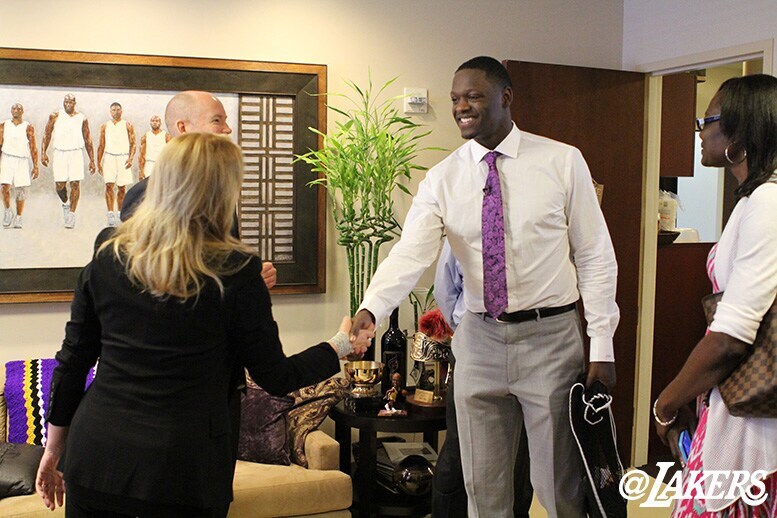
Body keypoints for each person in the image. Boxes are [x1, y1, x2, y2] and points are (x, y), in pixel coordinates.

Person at [34, 133, 373, 517]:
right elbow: (276, 377)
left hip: (96, 460)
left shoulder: (108, 258)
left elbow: (73, 362)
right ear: (221, 193)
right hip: (185, 471)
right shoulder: (237, 272)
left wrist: (53, 449)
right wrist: (340, 344)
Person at [350, 56, 619, 517]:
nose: (461, 107)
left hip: (550, 339)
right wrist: (370, 308)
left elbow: (595, 256)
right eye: (455, 99)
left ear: (505, 98)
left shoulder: (561, 161)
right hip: (479, 340)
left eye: (472, 96)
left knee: (559, 489)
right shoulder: (442, 179)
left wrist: (602, 345)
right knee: (483, 489)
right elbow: (410, 253)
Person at [654, 74, 777, 517]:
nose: (700, 131)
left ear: (740, 133)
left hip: (758, 420)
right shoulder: (754, 200)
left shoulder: (768, 204)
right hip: (741, 401)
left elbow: (731, 335)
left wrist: (667, 402)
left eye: (708, 120)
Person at [121, 91, 277, 288]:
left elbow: (225, 262)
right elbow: (140, 280)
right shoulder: (142, 195)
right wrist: (242, 283)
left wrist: (249, 279)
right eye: (216, 120)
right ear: (183, 127)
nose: (227, 129)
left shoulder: (220, 195)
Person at [432, 238, 533, 518]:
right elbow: (445, 287)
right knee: (460, 446)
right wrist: (464, 328)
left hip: (529, 347)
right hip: (474, 345)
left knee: (520, 453)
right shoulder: (465, 220)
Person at [41, 93, 96, 229]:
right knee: (60, 185)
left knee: (75, 184)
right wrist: (43, 153)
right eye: (66, 102)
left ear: (74, 103)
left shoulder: (82, 118)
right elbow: (47, 134)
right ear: (63, 103)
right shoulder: (55, 116)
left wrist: (92, 160)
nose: (68, 104)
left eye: (70, 102)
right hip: (60, 153)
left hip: (76, 153)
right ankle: (66, 203)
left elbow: (88, 139)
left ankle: (71, 214)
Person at [97, 102, 136, 227]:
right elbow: (101, 145)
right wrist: (98, 162)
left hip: (123, 157)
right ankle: (110, 213)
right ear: (110, 112)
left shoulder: (127, 125)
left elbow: (133, 143)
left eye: (118, 110)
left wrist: (130, 159)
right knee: (109, 186)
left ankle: (120, 213)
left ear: (122, 111)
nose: (116, 112)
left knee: (121, 188)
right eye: (113, 110)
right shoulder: (105, 126)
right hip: (109, 157)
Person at [0, 103, 38, 229]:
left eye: (18, 109)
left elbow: (33, 147)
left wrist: (36, 165)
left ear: (22, 111)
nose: (16, 111)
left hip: (22, 160)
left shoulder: (28, 127)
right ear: (11, 111)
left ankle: (19, 216)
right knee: (4, 187)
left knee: (20, 190)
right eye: (14, 108)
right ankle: (7, 211)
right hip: (7, 158)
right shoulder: (4, 125)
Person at [138, 114, 170, 180]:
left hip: (162, 164)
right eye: (153, 121)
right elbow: (142, 155)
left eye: (157, 121)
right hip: (149, 165)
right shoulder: (145, 136)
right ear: (150, 122)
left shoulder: (166, 136)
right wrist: (141, 171)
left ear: (160, 123)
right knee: (148, 186)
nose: (155, 122)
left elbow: (171, 154)